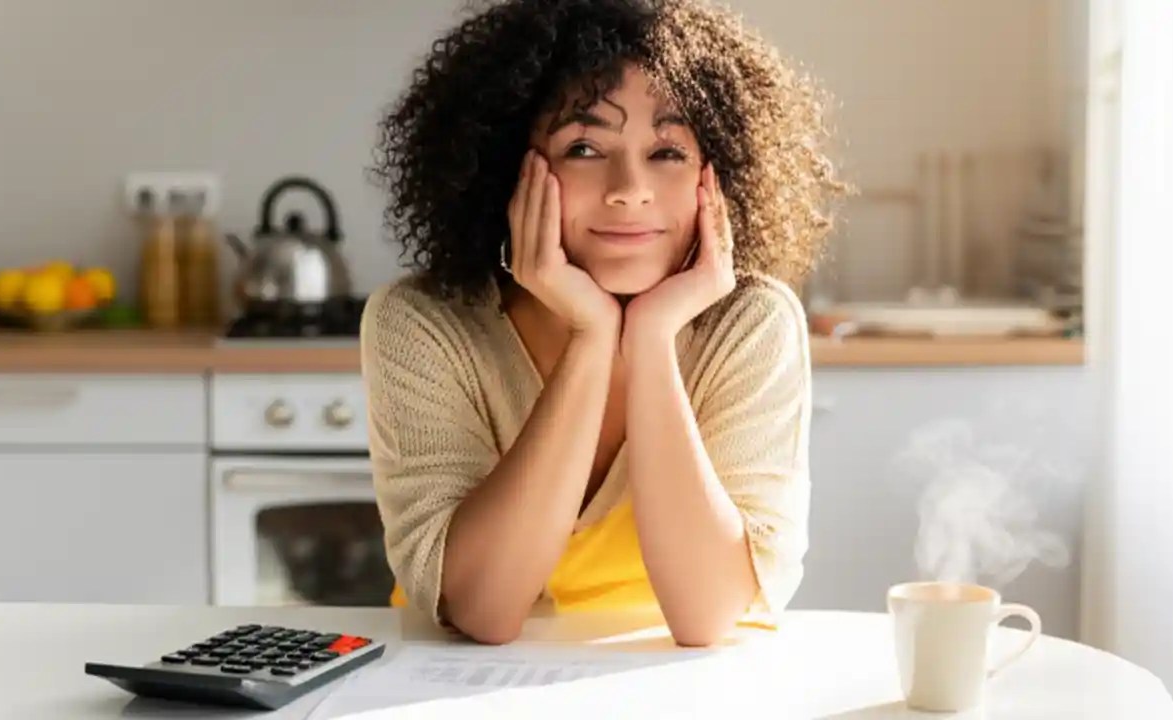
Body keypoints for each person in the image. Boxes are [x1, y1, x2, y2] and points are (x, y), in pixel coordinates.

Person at [361, 0, 848, 646]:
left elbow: (708, 616)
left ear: (718, 176)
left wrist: (649, 340)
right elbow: (484, 610)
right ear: (507, 167)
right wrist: (593, 338)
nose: (629, 188)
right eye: (585, 147)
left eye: (668, 152)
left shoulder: (752, 323)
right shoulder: (421, 324)